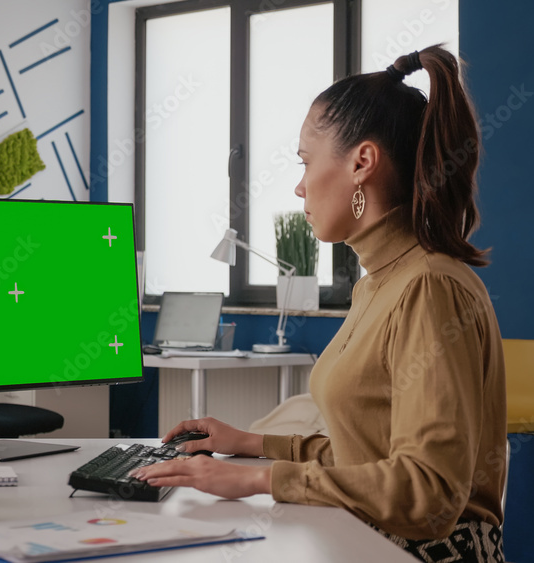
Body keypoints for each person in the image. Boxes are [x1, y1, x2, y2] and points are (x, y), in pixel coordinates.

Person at [131, 44, 507, 563]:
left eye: (306, 162)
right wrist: (251, 444)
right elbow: (366, 454)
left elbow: (428, 492)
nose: (299, 186)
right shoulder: (380, 283)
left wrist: (258, 481)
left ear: (362, 162)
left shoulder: (428, 287)